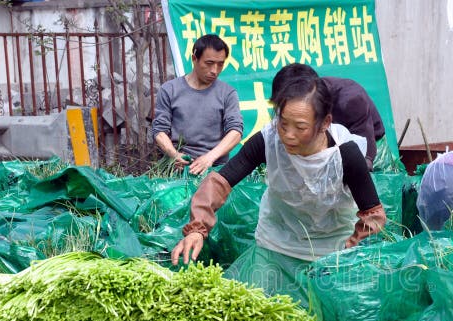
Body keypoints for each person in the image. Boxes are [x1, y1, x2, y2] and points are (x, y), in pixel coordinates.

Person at [171, 73, 387, 305]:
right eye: (283, 124)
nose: (288, 135)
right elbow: (222, 180)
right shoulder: (269, 140)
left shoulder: (345, 154)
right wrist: (197, 227)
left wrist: (346, 250)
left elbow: (373, 215)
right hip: (275, 244)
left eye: (300, 127)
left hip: (330, 252)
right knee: (252, 313)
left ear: (324, 123)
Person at [151, 34, 243, 176]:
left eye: (220, 64)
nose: (215, 70)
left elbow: (235, 132)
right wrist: (174, 155)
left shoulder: (227, 93)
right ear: (194, 59)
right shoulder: (169, 90)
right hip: (178, 167)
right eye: (209, 63)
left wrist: (210, 158)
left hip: (215, 168)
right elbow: (159, 130)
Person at [271, 63, 385, 171]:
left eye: (300, 126)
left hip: (370, 147)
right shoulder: (290, 114)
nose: (289, 134)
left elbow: (364, 156)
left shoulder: (351, 100)